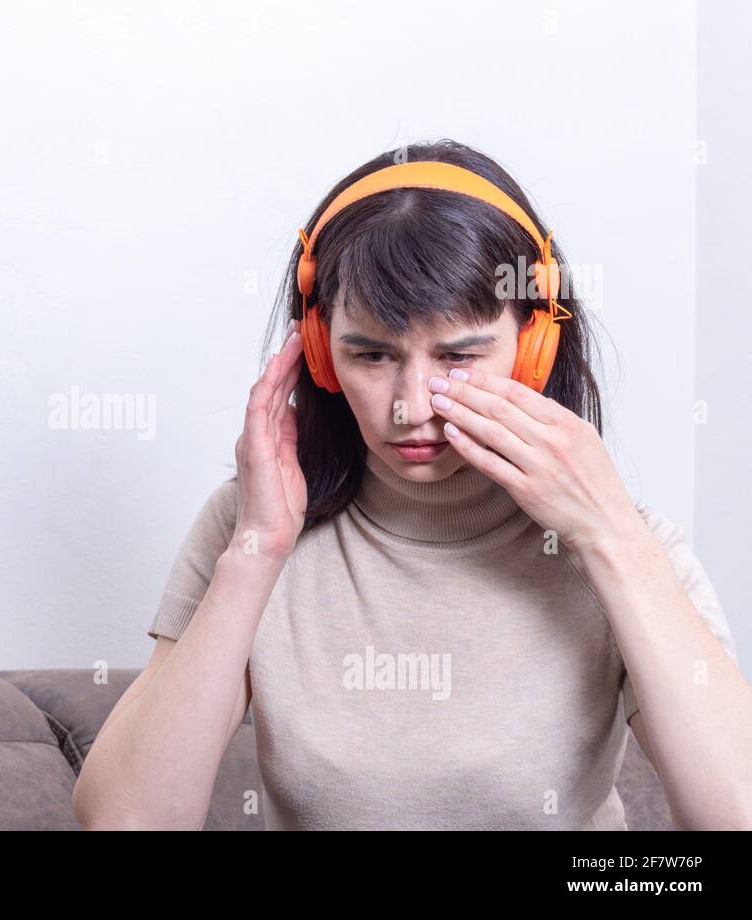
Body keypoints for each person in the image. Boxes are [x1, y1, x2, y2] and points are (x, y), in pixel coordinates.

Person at [72, 139, 749, 830]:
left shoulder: (631, 544)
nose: (412, 404)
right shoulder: (251, 524)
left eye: (458, 356)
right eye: (370, 354)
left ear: (534, 345)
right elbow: (127, 822)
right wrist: (256, 549)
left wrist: (608, 537)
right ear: (319, 352)